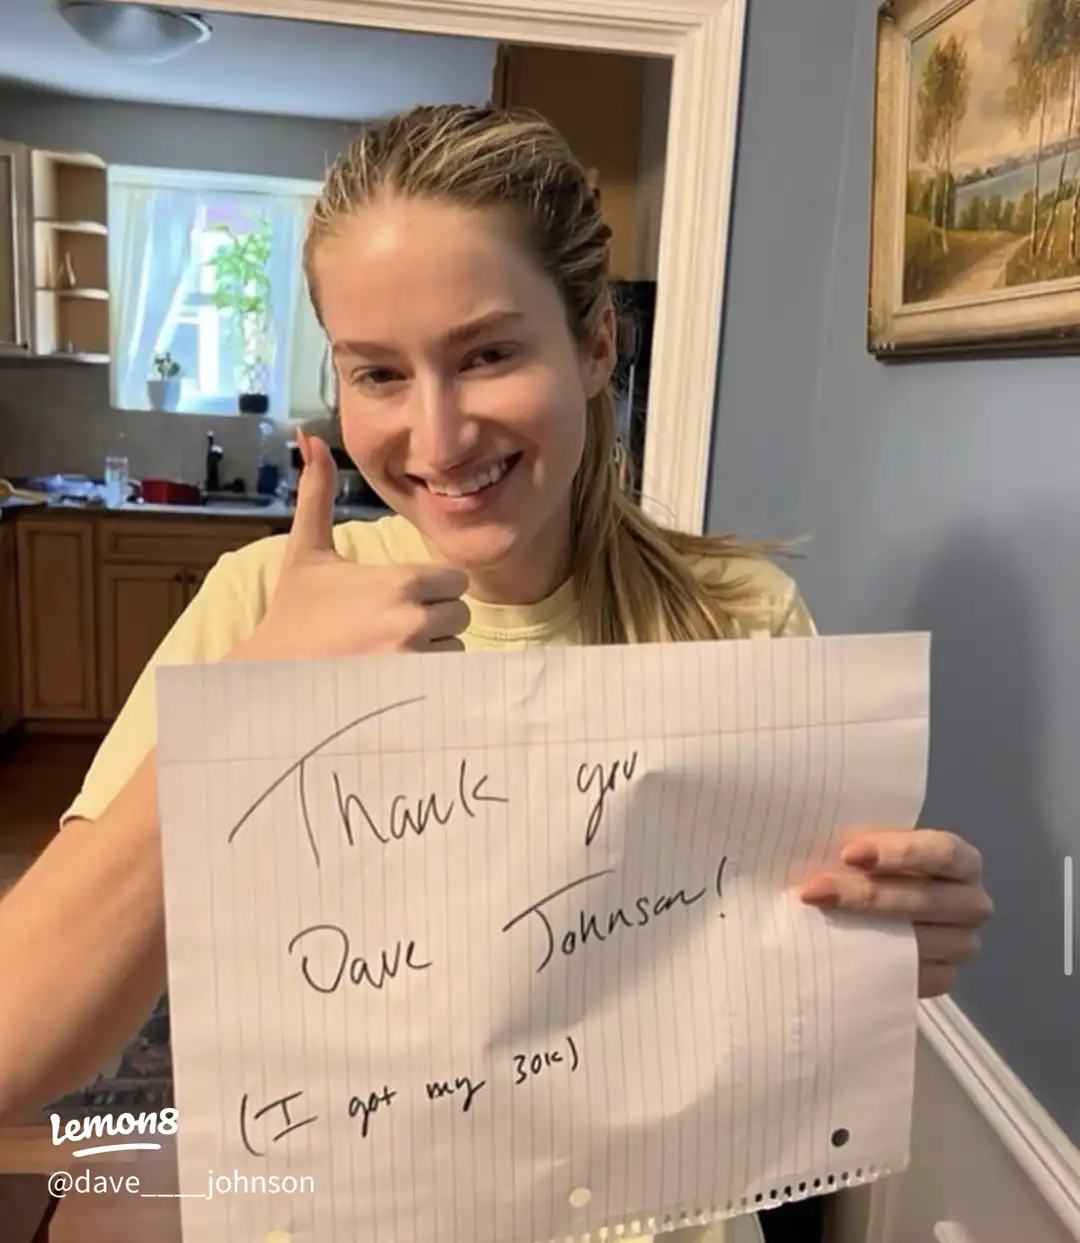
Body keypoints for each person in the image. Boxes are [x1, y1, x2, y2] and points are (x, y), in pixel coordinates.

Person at [0, 104, 993, 1243]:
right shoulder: (262, 606)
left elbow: (780, 995)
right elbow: (17, 1045)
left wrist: (891, 940)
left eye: (487, 353)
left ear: (596, 345)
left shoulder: (739, 621)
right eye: (378, 372)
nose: (437, 438)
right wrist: (257, 707)